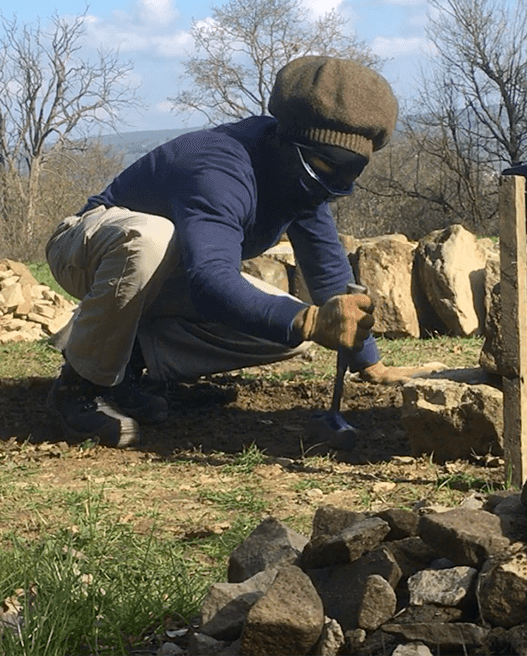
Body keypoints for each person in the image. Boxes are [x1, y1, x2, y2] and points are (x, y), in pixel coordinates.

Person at [42, 55, 444, 447]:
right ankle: (79, 388)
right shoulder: (220, 166)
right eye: (324, 165)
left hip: (166, 277)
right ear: (290, 142)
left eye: (349, 173)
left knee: (284, 334)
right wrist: (309, 320)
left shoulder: (300, 183)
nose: (332, 185)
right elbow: (210, 279)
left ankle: (125, 368)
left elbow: (327, 272)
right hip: (89, 250)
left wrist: (371, 366)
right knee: (153, 239)